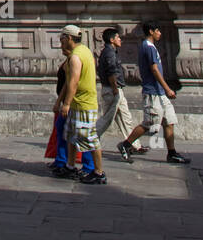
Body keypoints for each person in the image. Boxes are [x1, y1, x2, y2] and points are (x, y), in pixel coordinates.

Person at [119, 20, 190, 165]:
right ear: (151, 31)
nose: (159, 33)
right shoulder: (148, 47)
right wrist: (167, 88)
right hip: (153, 91)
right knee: (149, 122)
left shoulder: (151, 47)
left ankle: (172, 153)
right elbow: (154, 69)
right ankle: (126, 145)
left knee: (169, 121)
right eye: (157, 30)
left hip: (159, 92)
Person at [59, 24, 106, 184]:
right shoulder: (85, 50)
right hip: (79, 103)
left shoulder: (75, 57)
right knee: (72, 136)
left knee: (90, 138)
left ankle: (99, 172)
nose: (61, 42)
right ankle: (70, 166)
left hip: (84, 103)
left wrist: (66, 103)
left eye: (62, 39)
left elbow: (73, 81)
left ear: (69, 38)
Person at [48, 43, 95, 178]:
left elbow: (72, 84)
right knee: (66, 132)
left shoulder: (76, 59)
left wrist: (66, 103)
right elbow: (66, 84)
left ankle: (89, 167)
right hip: (71, 104)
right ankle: (64, 162)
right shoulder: (71, 60)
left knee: (82, 135)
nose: (61, 47)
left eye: (63, 44)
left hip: (78, 104)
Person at [96, 26, 138, 146]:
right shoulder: (109, 53)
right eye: (118, 37)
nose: (120, 39)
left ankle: (134, 145)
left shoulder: (111, 52)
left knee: (126, 117)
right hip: (112, 89)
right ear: (112, 39)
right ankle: (90, 140)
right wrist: (115, 89)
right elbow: (111, 72)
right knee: (107, 119)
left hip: (116, 89)